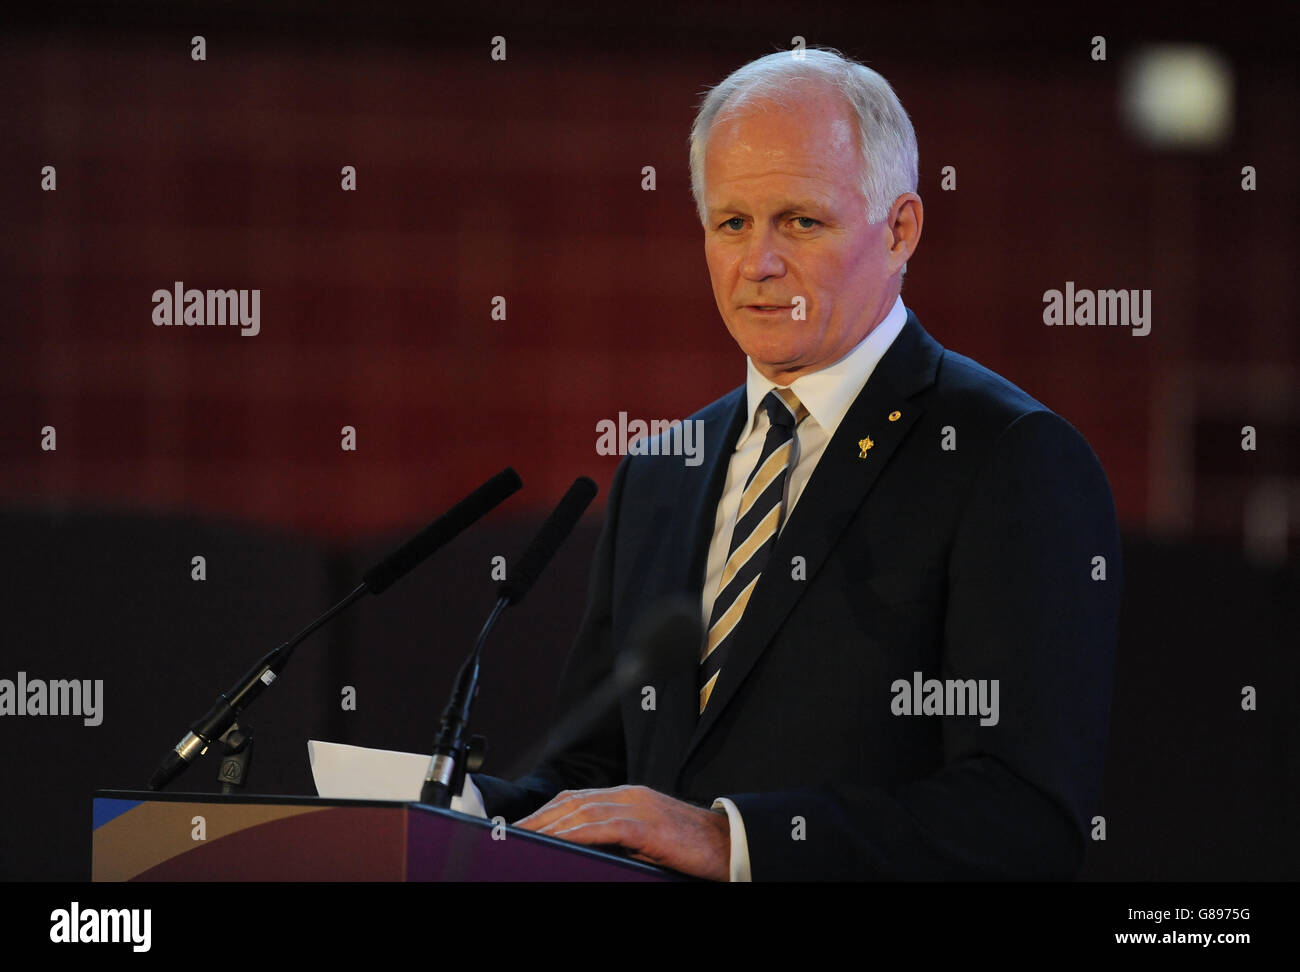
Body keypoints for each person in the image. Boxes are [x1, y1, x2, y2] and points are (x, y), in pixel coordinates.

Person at [470, 48, 1122, 881]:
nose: (759, 264)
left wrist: (732, 840)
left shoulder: (1010, 458)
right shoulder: (664, 470)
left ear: (900, 230)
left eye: (801, 221)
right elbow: (606, 778)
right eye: (731, 222)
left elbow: (1023, 818)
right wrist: (467, 814)